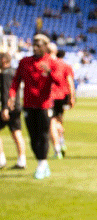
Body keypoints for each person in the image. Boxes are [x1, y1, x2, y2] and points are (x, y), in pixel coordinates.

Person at [8, 34, 57, 179]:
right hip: (29, 105)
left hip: (45, 105)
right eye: (34, 45)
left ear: (45, 47)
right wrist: (12, 95)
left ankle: (42, 163)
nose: (35, 48)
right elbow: (16, 81)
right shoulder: (24, 62)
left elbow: (59, 82)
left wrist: (50, 72)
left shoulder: (51, 62)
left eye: (38, 45)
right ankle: (42, 163)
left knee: (43, 134)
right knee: (33, 137)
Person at [0, 52, 27, 170]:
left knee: (16, 133)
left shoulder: (5, 74)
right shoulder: (15, 72)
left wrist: (5, 108)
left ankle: (1, 160)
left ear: (3, 60)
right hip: (16, 106)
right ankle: (22, 160)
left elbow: (6, 92)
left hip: (8, 107)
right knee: (17, 133)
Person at [47, 44, 75, 158]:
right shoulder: (65, 65)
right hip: (62, 97)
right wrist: (72, 97)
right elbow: (70, 82)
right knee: (58, 121)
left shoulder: (46, 64)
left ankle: (57, 149)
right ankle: (62, 141)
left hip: (50, 97)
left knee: (51, 123)